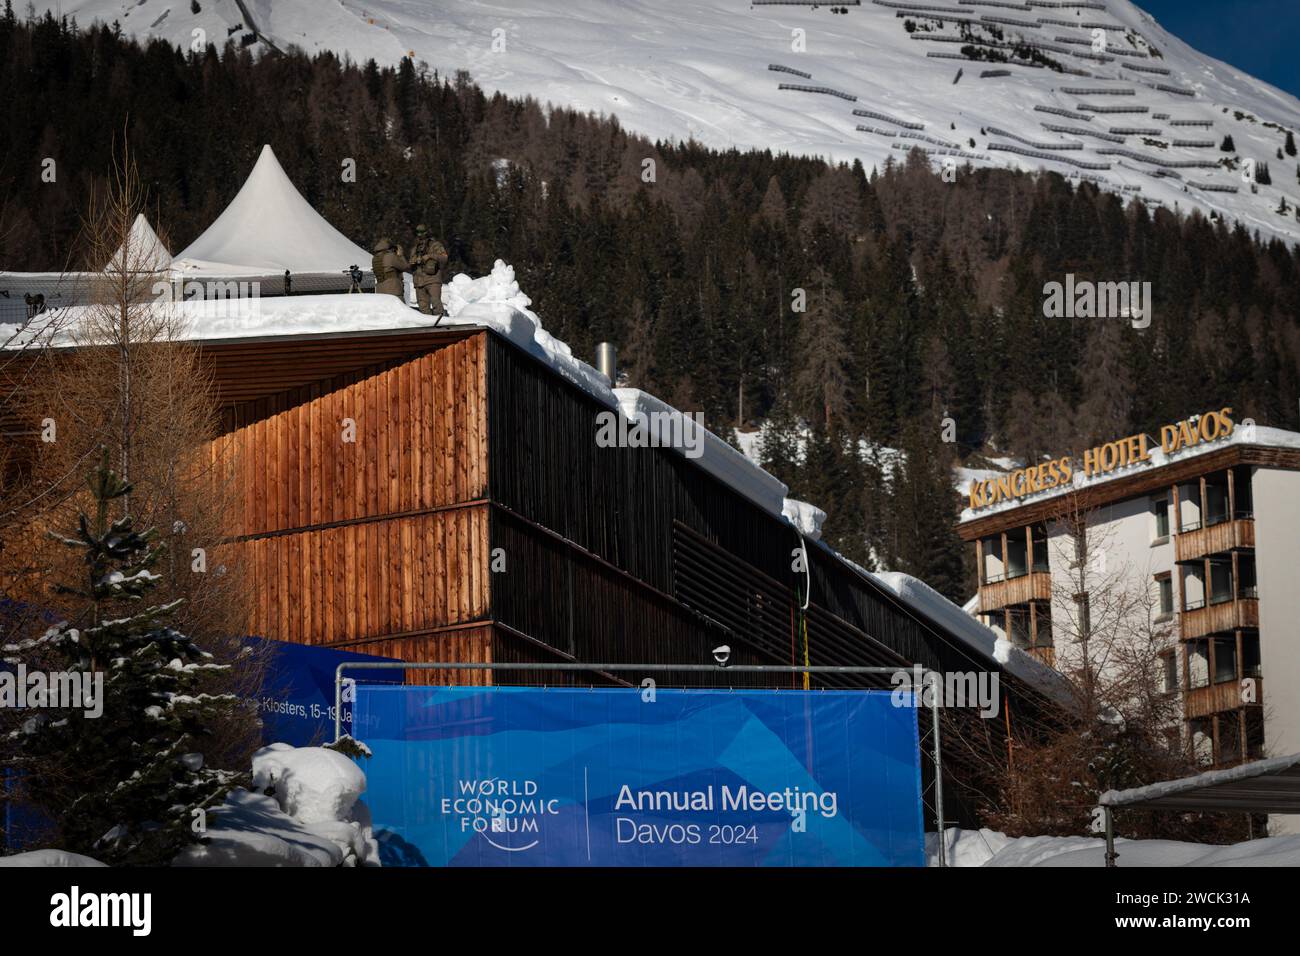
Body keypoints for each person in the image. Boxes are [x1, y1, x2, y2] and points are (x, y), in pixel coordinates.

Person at [409, 224, 449, 316]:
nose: (420, 234)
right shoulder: (414, 248)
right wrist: (413, 261)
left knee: (436, 303)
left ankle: (442, 324)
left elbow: (444, 258)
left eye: (422, 232)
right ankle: (428, 326)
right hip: (419, 281)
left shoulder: (435, 245)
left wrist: (430, 256)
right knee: (423, 308)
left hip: (432, 279)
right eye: (418, 232)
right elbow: (409, 264)